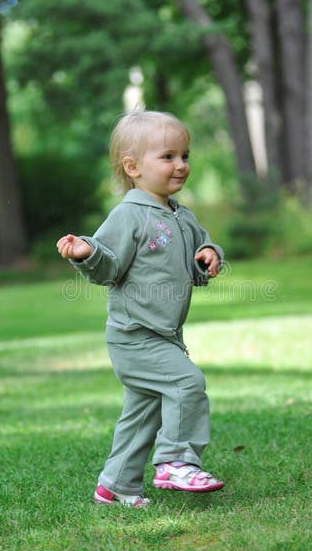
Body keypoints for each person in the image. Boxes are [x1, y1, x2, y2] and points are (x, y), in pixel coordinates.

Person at [56, 109, 225, 507]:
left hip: (163, 334)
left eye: (184, 155)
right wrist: (87, 251)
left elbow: (201, 250)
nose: (180, 165)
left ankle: (115, 485)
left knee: (143, 414)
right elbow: (108, 264)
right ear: (133, 167)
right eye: (167, 157)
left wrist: (209, 254)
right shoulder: (129, 215)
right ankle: (177, 461)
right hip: (136, 335)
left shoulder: (181, 215)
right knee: (186, 384)